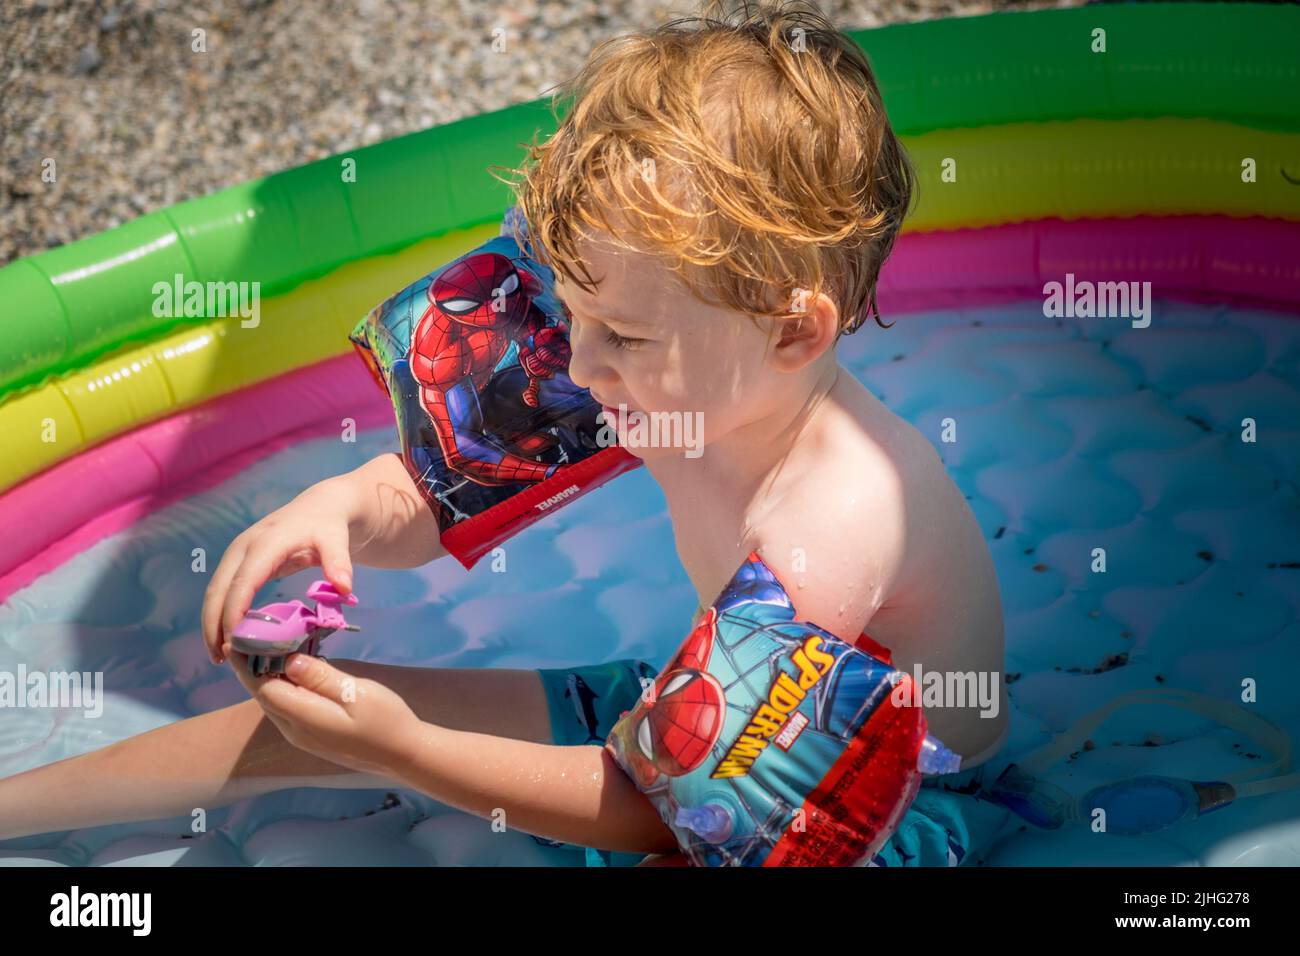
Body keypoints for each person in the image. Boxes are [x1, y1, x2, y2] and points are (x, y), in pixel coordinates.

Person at [0, 0, 1007, 866]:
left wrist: (407, 751)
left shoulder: (826, 524)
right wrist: (341, 504)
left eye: (615, 333)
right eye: (569, 312)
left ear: (794, 328)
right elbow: (448, 491)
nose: (573, 365)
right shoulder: (670, 359)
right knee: (305, 710)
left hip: (883, 802)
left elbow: (670, 817)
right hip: (703, 713)